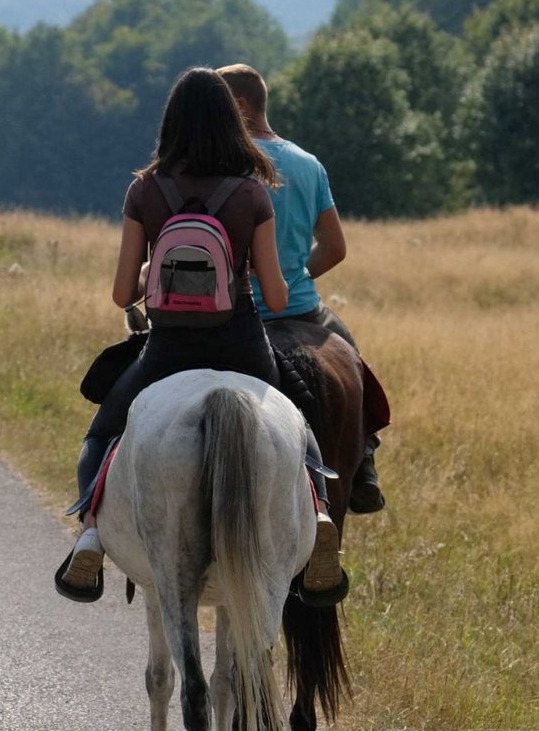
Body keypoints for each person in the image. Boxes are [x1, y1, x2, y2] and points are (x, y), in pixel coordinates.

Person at [57, 67, 342, 603]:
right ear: (229, 122)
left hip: (168, 351)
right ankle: (321, 517)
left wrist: (152, 277)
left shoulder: (144, 191)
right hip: (242, 345)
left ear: (172, 123)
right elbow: (277, 301)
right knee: (301, 425)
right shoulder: (253, 194)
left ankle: (90, 535)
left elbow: (123, 295)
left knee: (101, 433)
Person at [218, 63, 384, 514]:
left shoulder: (222, 164)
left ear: (240, 107)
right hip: (302, 310)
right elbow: (334, 248)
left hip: (235, 313)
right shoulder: (309, 164)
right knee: (349, 355)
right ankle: (364, 462)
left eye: (219, 107)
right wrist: (295, 277)